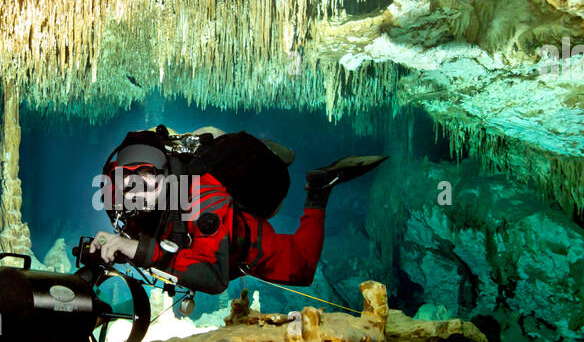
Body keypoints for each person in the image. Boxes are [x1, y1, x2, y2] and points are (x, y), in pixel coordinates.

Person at [89, 126, 385, 295]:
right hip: (189, 247)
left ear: (165, 174)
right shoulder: (121, 207)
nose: (137, 190)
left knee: (303, 267)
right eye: (127, 181)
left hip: (241, 246)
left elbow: (214, 278)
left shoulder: (202, 197)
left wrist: (136, 249)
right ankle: (229, 142)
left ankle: (318, 189)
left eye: (148, 175)